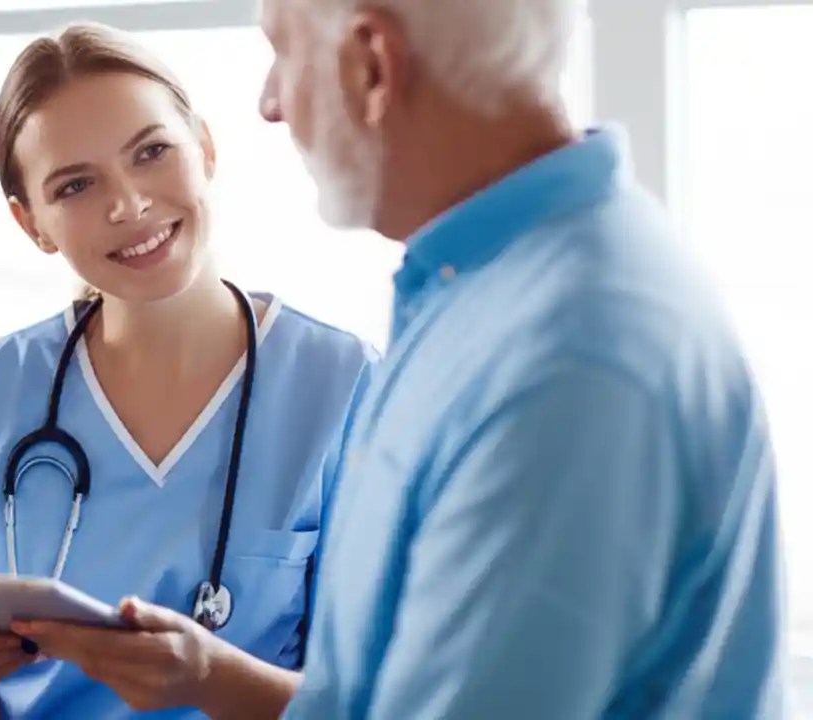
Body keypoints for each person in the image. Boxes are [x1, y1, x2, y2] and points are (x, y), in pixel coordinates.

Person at [246, 0, 785, 718]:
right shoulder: (479, 286)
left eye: (283, 52)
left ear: (373, 64)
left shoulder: (570, 362)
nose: (270, 103)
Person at [0, 22, 378, 720]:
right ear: (33, 225)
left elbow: (381, 703)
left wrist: (211, 677)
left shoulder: (343, 384)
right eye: (76, 185)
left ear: (204, 147)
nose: (127, 204)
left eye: (152, 152)